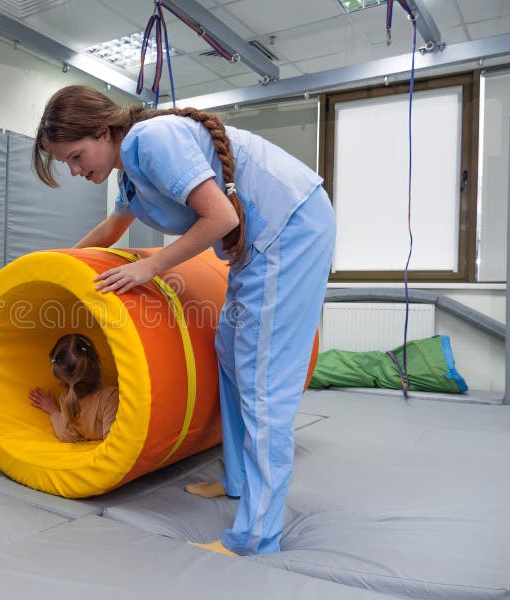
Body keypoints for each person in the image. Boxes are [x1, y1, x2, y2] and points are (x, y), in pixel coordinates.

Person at [32, 85, 335, 556]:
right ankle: (237, 480)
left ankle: (256, 537)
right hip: (253, 247)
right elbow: (111, 232)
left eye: (75, 155)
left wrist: (151, 266)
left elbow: (220, 217)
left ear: (103, 131)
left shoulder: (150, 141)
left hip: (288, 227)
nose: (74, 170)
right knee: (229, 353)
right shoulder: (127, 171)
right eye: (66, 163)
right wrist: (52, 270)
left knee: (262, 381)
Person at [29, 333, 119, 442]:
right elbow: (114, 444)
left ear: (60, 378)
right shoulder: (110, 398)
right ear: (98, 359)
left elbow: (65, 435)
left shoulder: (67, 401)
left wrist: (53, 411)